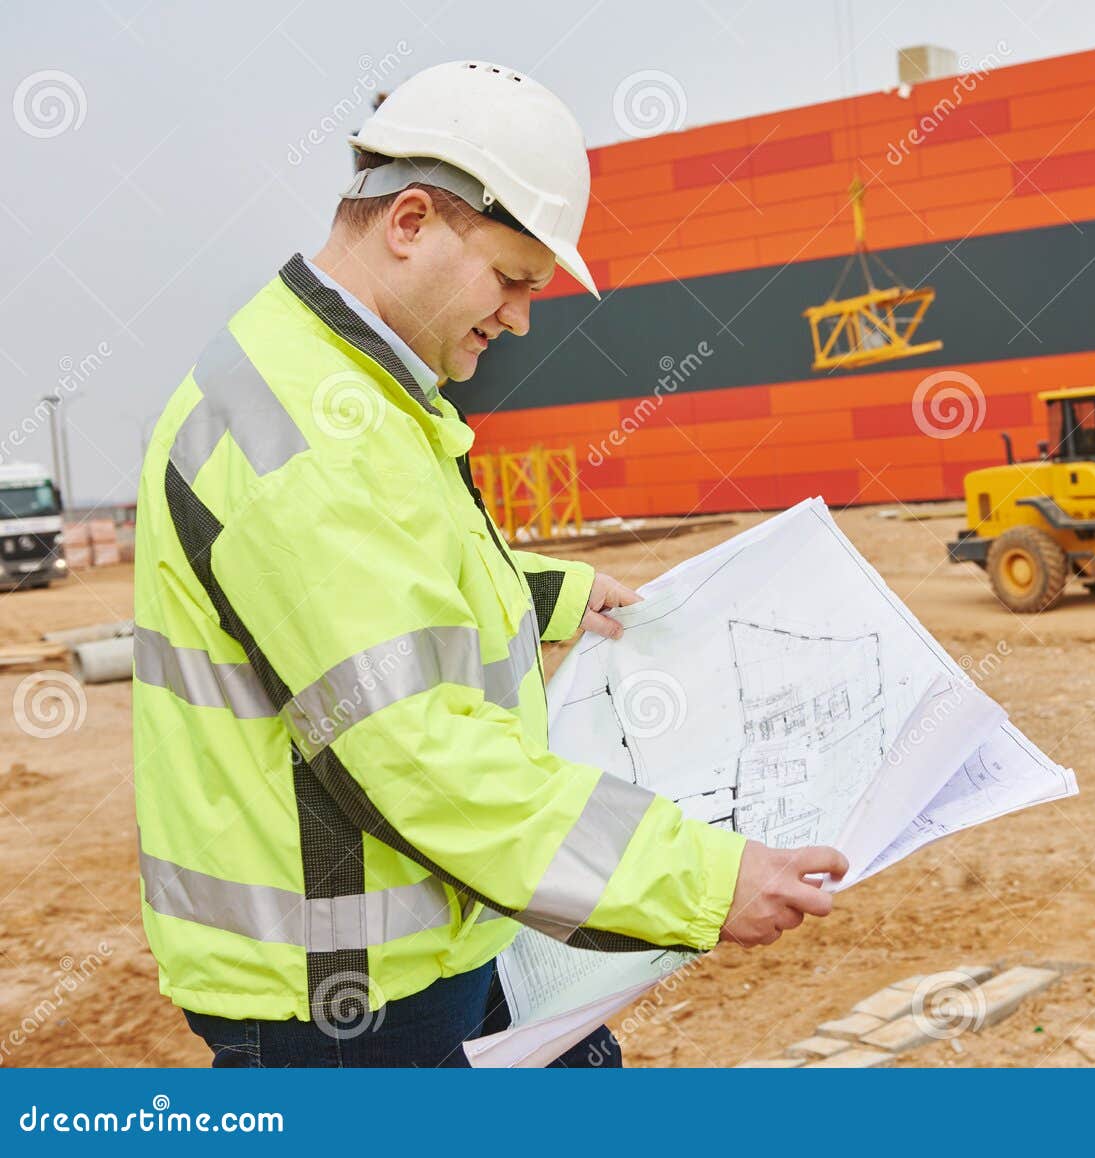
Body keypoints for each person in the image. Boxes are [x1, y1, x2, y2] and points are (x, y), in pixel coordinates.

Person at [131, 59, 846, 1069]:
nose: (518, 315)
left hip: (404, 945)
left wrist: (547, 591)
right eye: (510, 279)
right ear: (411, 220)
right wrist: (703, 877)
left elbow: (393, 582)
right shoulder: (308, 430)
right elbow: (419, 754)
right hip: (345, 996)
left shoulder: (347, 388)